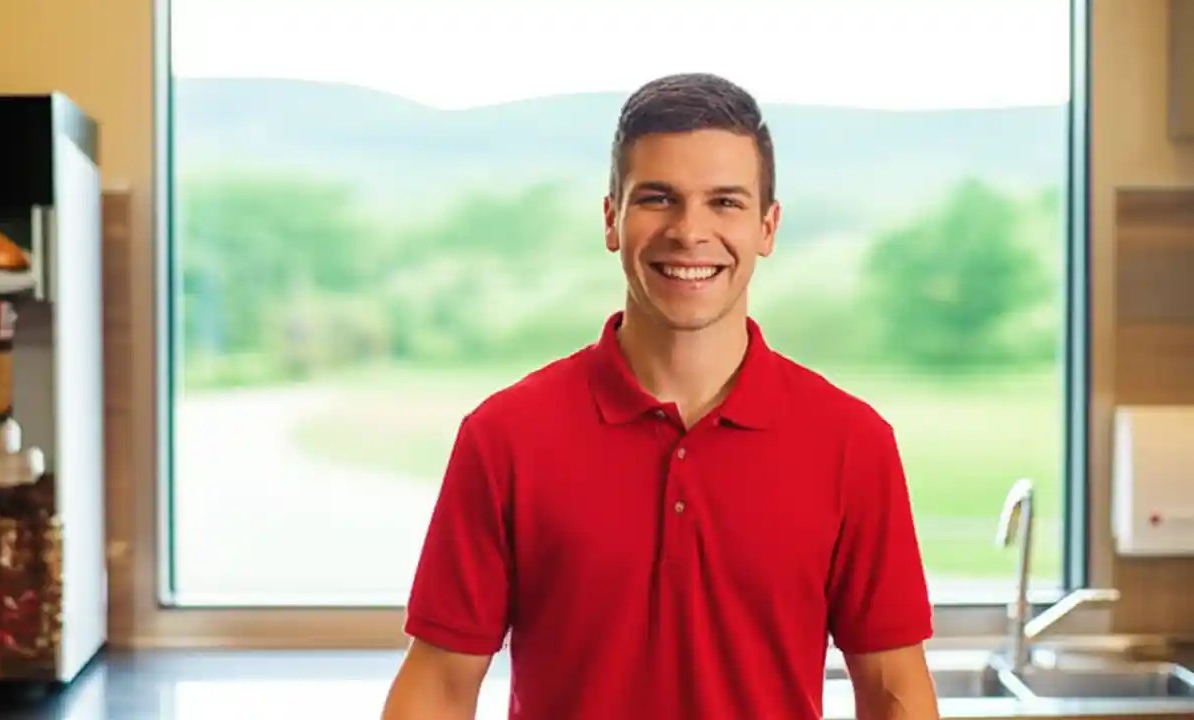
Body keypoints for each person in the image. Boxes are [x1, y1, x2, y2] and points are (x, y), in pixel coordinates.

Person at [382, 72, 940, 720]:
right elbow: (440, 687)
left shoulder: (852, 443)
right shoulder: (505, 437)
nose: (689, 231)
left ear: (768, 226)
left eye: (725, 202)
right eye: (658, 198)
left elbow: (894, 687)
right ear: (612, 218)